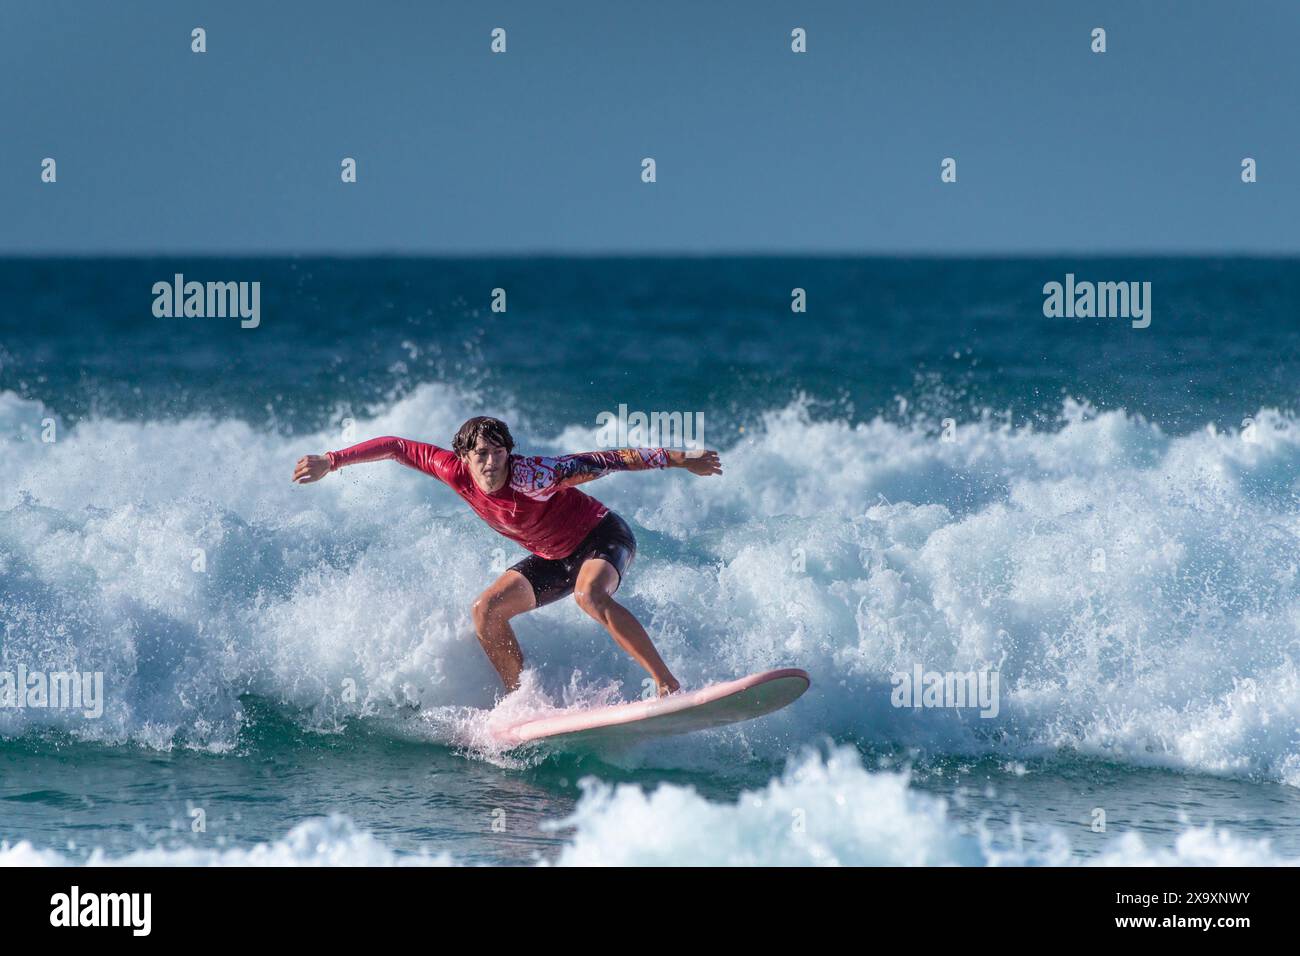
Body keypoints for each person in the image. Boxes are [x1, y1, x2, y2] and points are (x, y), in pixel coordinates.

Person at [293, 416, 722, 697]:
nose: (492, 462)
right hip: (553, 557)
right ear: (464, 456)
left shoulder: (534, 475)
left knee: (589, 596)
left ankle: (666, 683)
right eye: (481, 453)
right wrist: (332, 461)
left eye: (499, 453)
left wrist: (683, 460)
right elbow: (396, 446)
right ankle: (522, 702)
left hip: (601, 537)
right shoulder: (452, 470)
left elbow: (610, 458)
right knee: (486, 611)